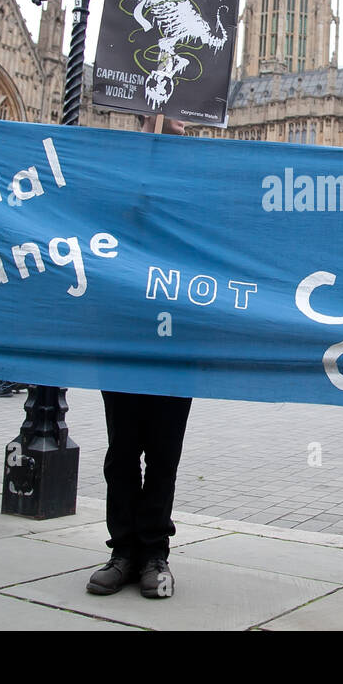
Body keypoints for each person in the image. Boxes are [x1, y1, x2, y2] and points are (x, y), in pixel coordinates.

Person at [86, 115, 193, 601]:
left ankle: (155, 553)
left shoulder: (192, 209)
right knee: (122, 455)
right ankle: (122, 550)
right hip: (124, 342)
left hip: (176, 349)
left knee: (163, 456)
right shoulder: (117, 205)